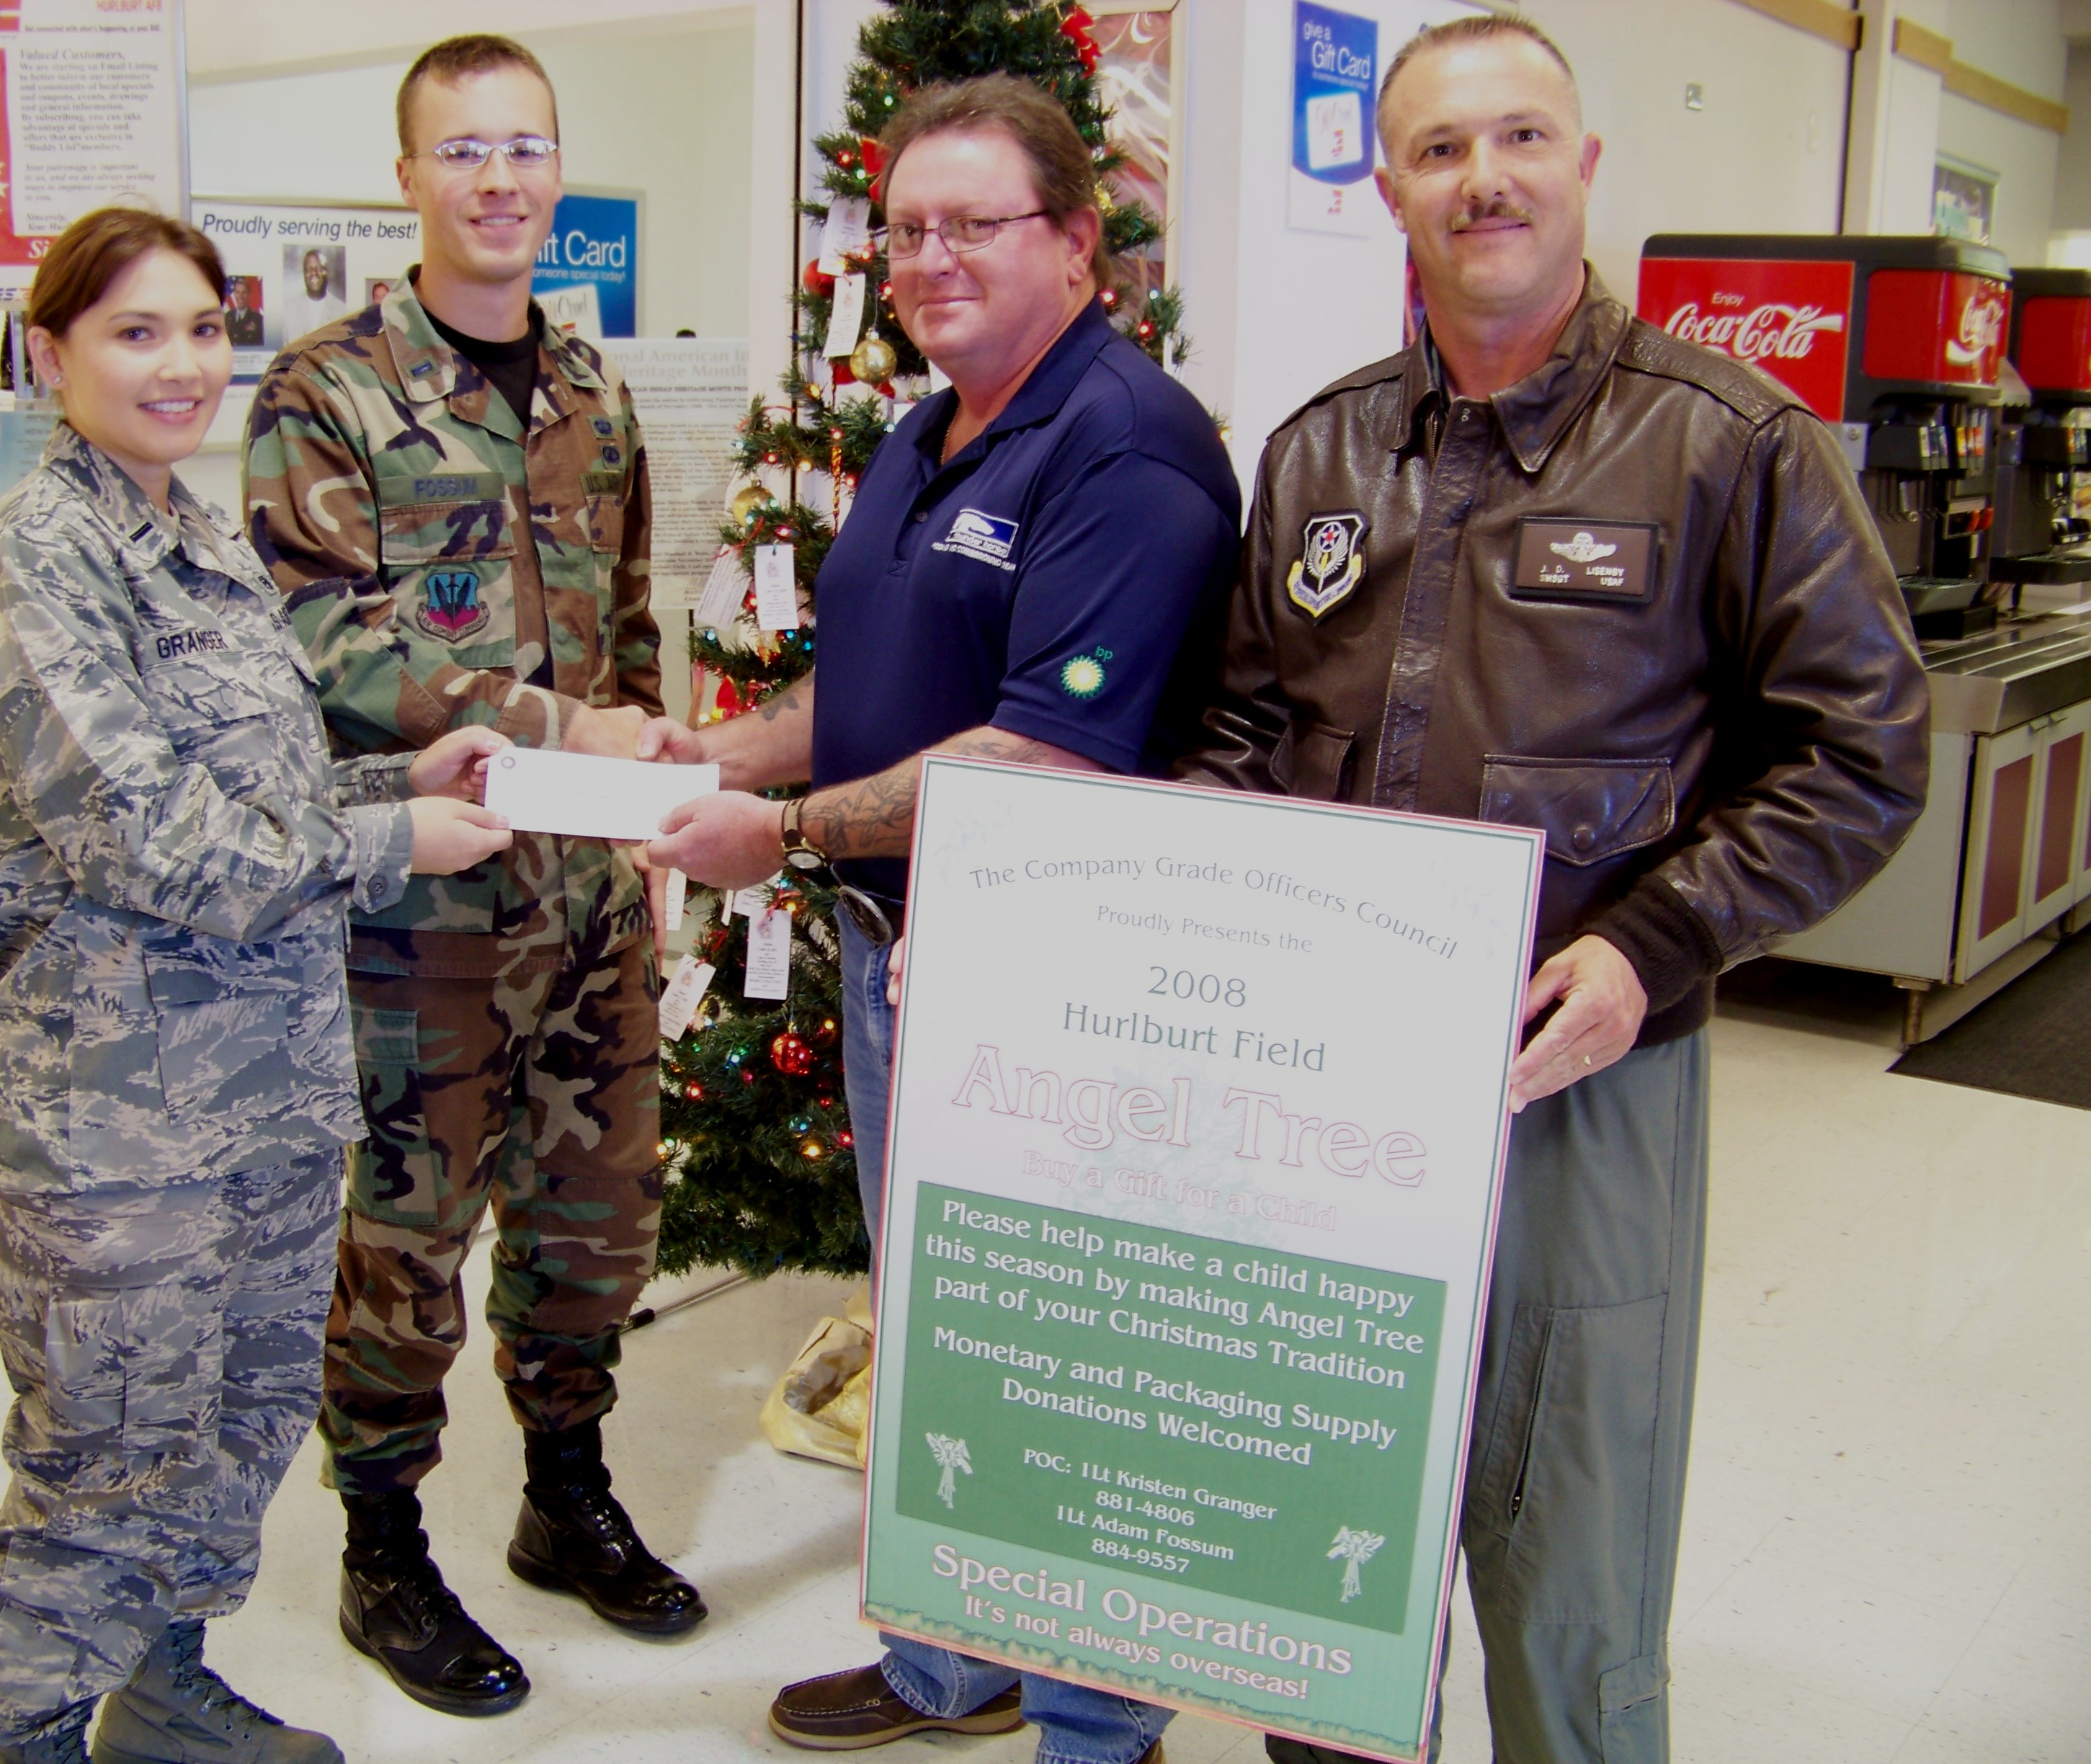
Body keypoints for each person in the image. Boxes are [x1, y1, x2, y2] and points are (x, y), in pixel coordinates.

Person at [1182, 19, 1929, 1764]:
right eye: (1440, 151)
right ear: (1390, 191)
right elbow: (1237, 725)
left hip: (1576, 1081)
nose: (1484, 178)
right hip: (1325, 1089)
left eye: (1522, 137)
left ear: (1588, 166)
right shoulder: (1318, 455)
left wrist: (1652, 944)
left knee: (1566, 1555)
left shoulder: (1730, 445)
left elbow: (1864, 747)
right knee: (1324, 1552)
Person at [644, 75, 1239, 1764]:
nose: (925, 259)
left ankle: (1092, 1722)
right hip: (901, 942)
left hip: (1048, 975)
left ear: (1077, 241)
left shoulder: (1126, 445)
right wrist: (729, 748)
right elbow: (876, 680)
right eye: (905, 228)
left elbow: (1045, 750)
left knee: (1061, 1343)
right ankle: (952, 1663)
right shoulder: (933, 425)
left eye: (972, 225)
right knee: (945, 1322)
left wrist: (777, 831)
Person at [0, 208, 518, 1764]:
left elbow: (261, 784)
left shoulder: (193, 533)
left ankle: (164, 1679)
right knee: (105, 1444)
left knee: (241, 1418)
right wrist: (404, 833)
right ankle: (42, 1725)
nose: (183, 363)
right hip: (120, 1127)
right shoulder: (34, 565)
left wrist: (407, 769)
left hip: (262, 1095)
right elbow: (148, 840)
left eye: (203, 327)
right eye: (136, 332)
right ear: (50, 355)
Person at [244, 32, 697, 1721]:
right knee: (409, 1238)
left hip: (587, 901)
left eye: (527, 149)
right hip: (421, 912)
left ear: (554, 172)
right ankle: (380, 1541)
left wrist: (643, 790)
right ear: (408, 174)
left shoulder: (595, 386)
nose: (500, 180)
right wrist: (555, 717)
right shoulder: (328, 393)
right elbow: (330, 645)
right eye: (464, 151)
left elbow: (634, 625)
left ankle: (562, 1496)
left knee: (599, 1216)